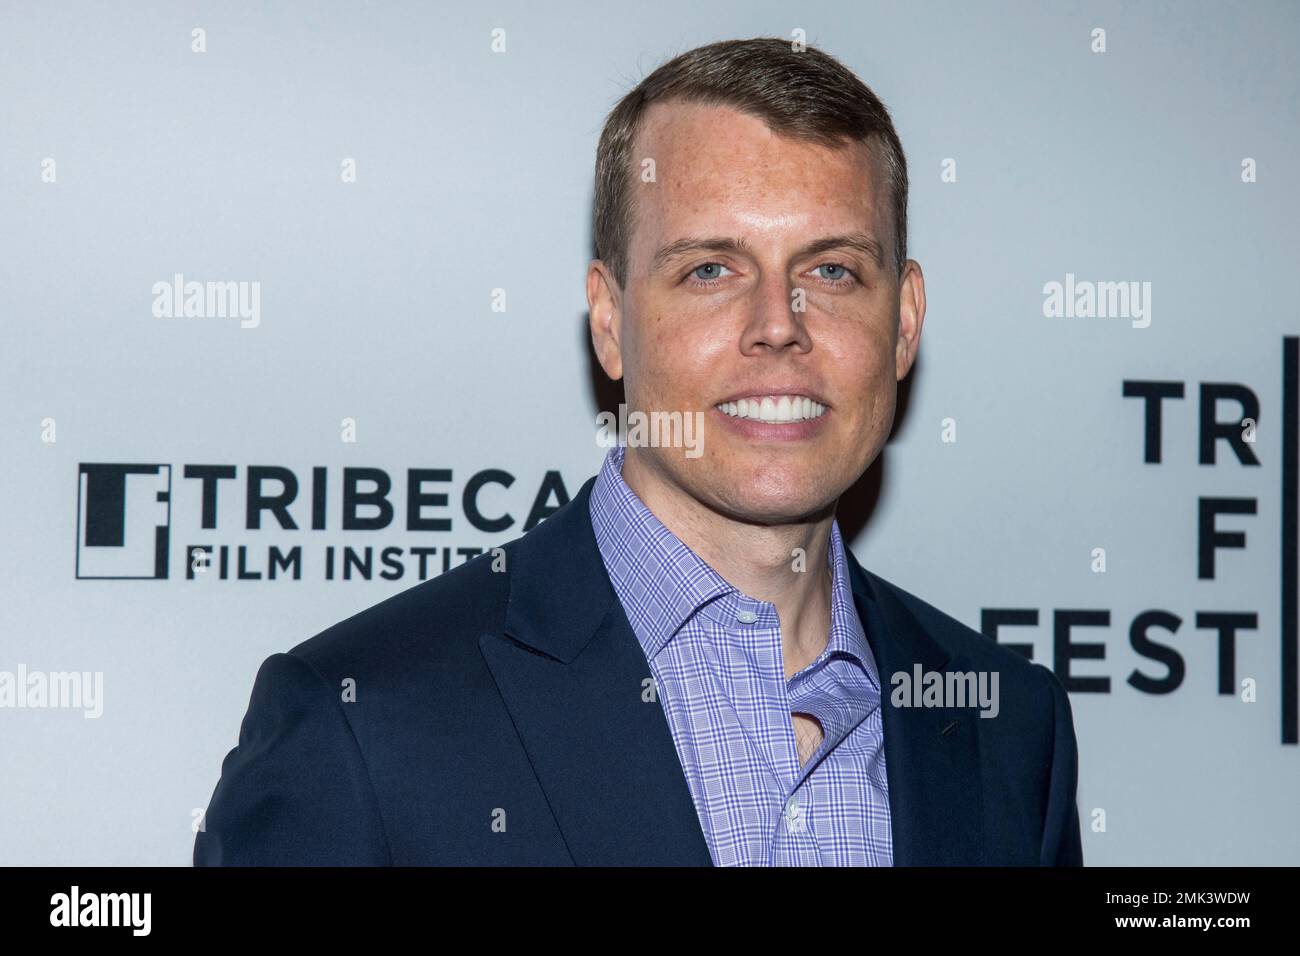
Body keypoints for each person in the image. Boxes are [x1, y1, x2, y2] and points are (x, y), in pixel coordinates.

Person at [195, 36, 1083, 866]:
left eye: (832, 271)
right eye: (710, 270)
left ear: (905, 322)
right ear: (611, 322)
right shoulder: (361, 723)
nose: (780, 325)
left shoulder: (1009, 726)